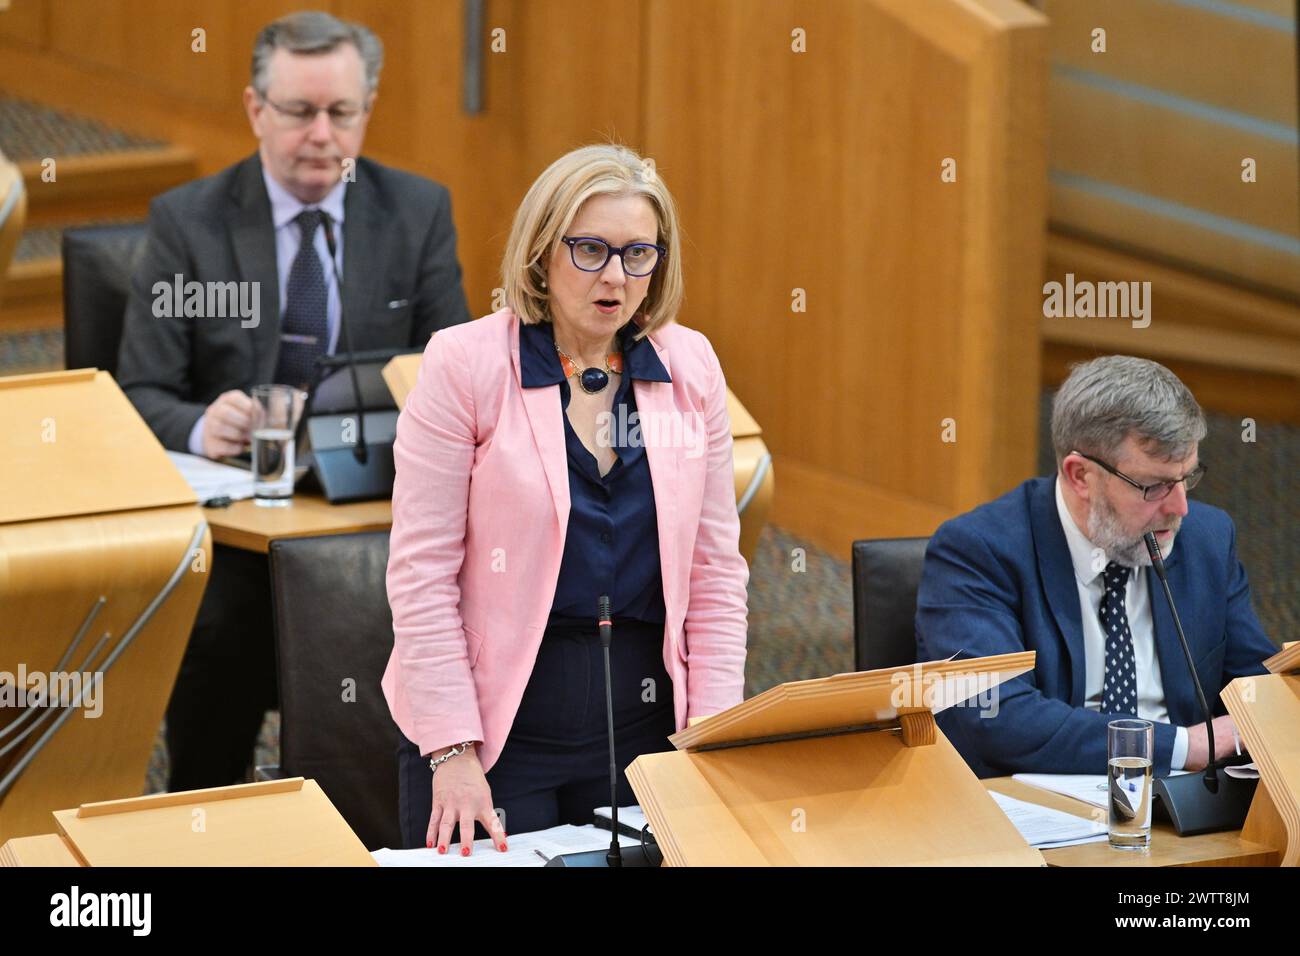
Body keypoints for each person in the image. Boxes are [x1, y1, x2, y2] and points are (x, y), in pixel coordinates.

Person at [115, 10, 471, 790]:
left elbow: (462, 380)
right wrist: (202, 423)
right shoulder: (190, 224)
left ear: (367, 110)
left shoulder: (416, 213)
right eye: (299, 112)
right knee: (216, 634)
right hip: (243, 533)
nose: (321, 135)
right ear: (255, 110)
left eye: (340, 113)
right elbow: (137, 394)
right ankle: (205, 814)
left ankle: (376, 823)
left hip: (380, 518)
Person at [383, 143, 750, 854]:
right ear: (541, 254)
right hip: (499, 727)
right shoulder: (465, 365)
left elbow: (715, 574)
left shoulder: (690, 365)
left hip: (646, 724)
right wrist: (452, 752)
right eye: (590, 250)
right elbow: (420, 575)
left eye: (638, 253)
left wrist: (714, 740)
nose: (615, 276)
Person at [916, 355, 1275, 778]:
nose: (1179, 508)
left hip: (1186, 806)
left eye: (1187, 479)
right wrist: (1184, 746)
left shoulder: (1207, 540)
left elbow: (1259, 687)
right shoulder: (979, 551)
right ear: (1080, 476)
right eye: (1154, 486)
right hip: (1042, 810)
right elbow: (996, 717)